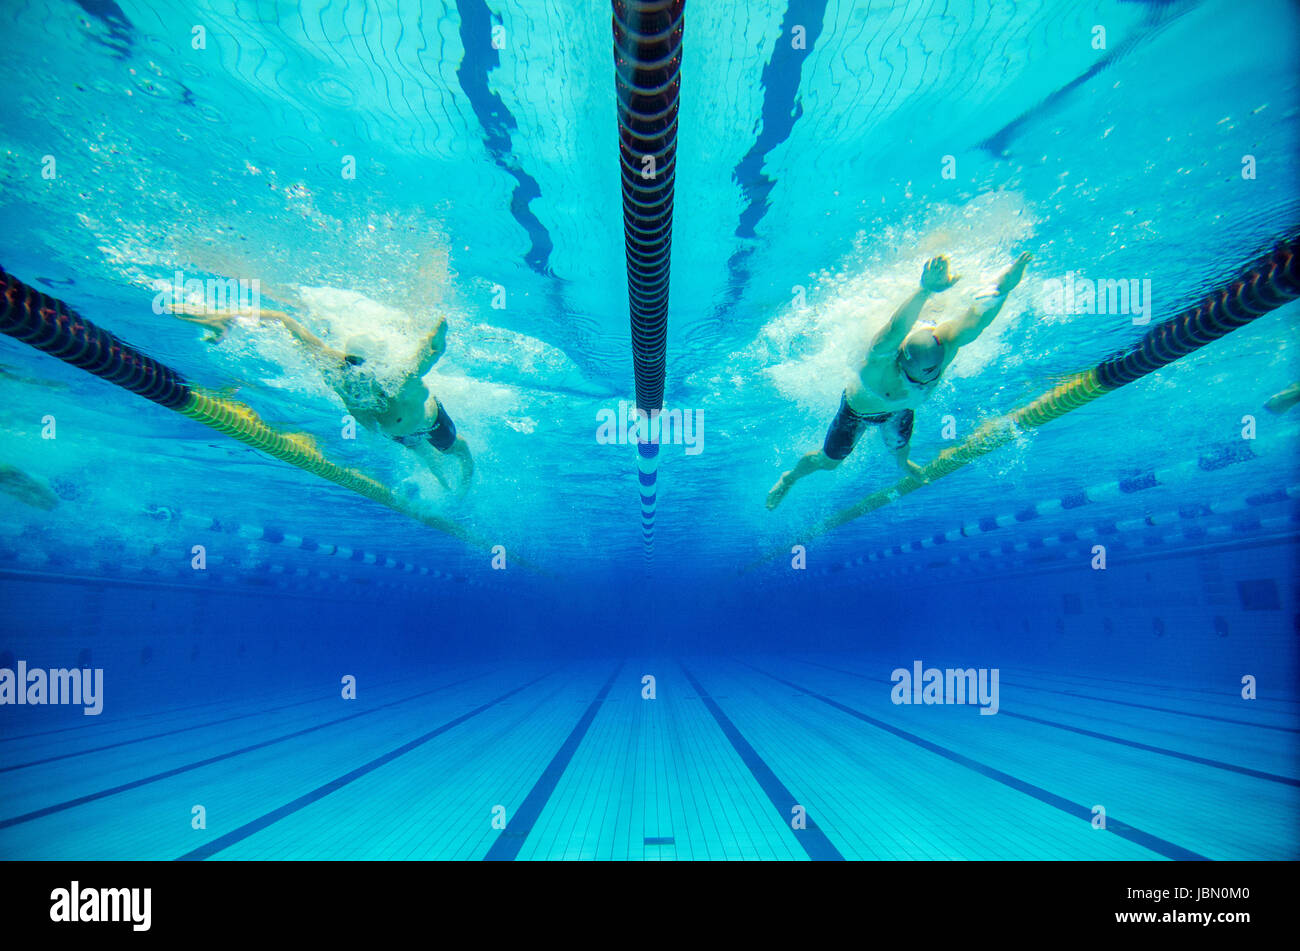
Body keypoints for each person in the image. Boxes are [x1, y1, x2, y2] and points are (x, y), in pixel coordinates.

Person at [766, 252, 1031, 510]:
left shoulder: (945, 344)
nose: (927, 378)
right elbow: (895, 329)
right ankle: (789, 478)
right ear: (902, 361)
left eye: (932, 372)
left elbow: (976, 322)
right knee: (829, 462)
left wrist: (1003, 287)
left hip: (899, 410)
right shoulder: (879, 366)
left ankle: (904, 465)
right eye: (919, 374)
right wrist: (924, 290)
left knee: (901, 455)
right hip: (857, 414)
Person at [171, 301, 474, 491]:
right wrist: (228, 317)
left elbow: (429, 354)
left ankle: (466, 483)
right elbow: (283, 320)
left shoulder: (402, 380)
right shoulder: (335, 368)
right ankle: (445, 487)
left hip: (431, 422)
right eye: (353, 363)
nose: (360, 373)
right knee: (425, 457)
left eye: (367, 367)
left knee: (455, 452)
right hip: (399, 435)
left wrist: (437, 337)